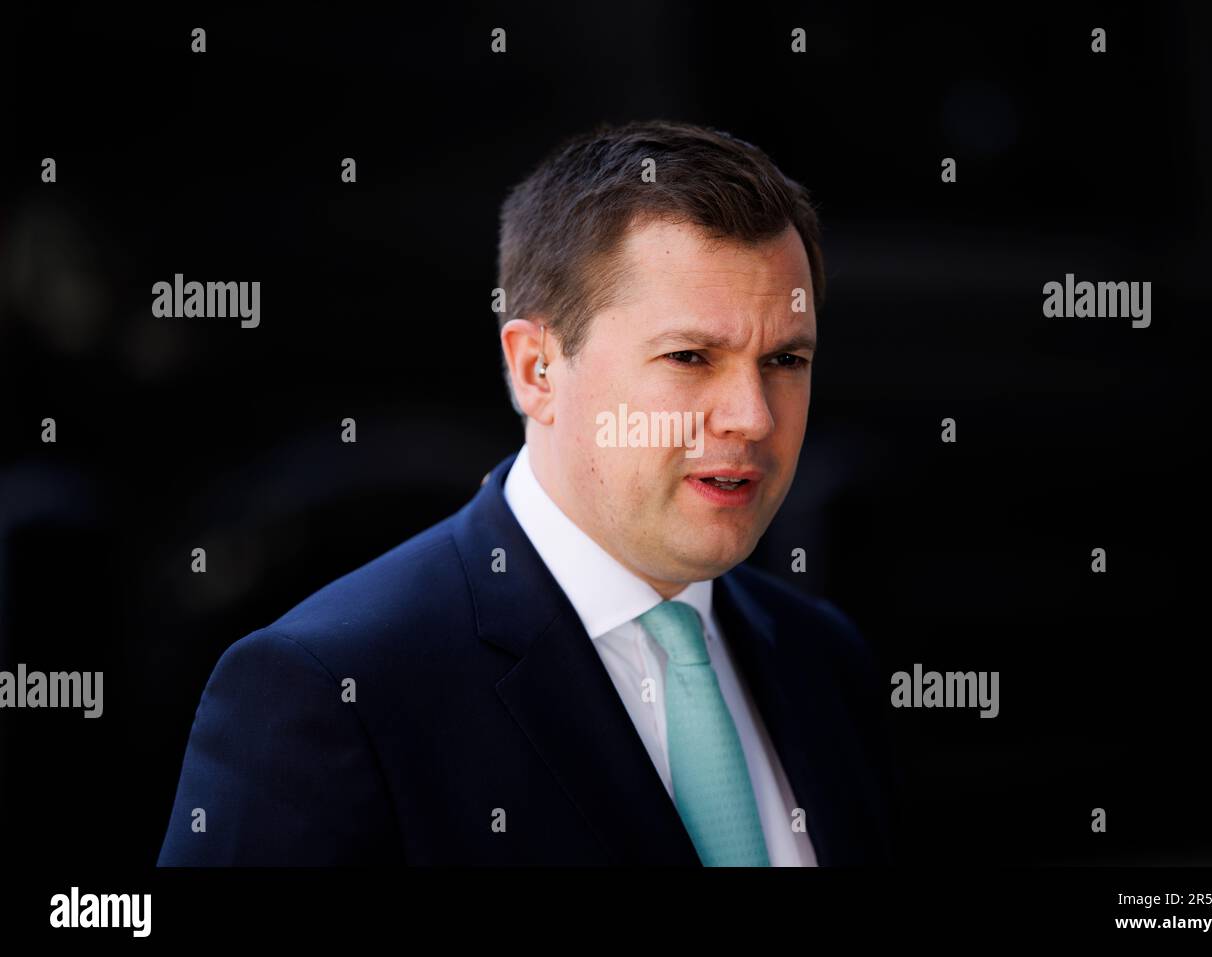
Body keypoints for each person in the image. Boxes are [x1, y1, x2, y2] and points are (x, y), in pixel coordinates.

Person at [157, 119, 895, 866]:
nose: (754, 415)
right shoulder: (328, 692)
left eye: (785, 359)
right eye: (690, 356)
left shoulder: (823, 661)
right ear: (537, 369)